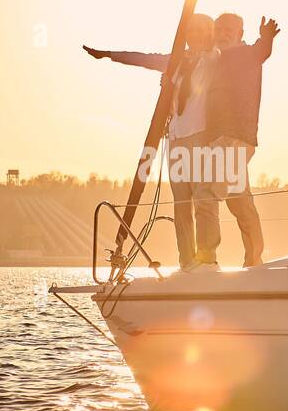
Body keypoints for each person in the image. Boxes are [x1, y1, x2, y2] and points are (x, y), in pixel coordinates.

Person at [83, 14, 219, 271]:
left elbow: (235, 61)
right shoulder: (177, 61)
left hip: (201, 136)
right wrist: (108, 54)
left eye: (202, 30)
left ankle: (207, 259)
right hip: (176, 138)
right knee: (181, 202)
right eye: (192, 30)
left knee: (203, 200)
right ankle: (187, 261)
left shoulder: (214, 60)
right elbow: (142, 59)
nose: (197, 35)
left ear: (210, 33)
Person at [192, 13, 279, 268]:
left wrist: (266, 38)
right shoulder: (215, 61)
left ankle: (206, 261)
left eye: (230, 29)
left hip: (234, 139)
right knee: (240, 203)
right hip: (220, 140)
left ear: (241, 34)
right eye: (219, 28)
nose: (223, 33)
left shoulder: (244, 55)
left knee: (206, 195)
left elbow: (261, 52)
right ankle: (254, 260)